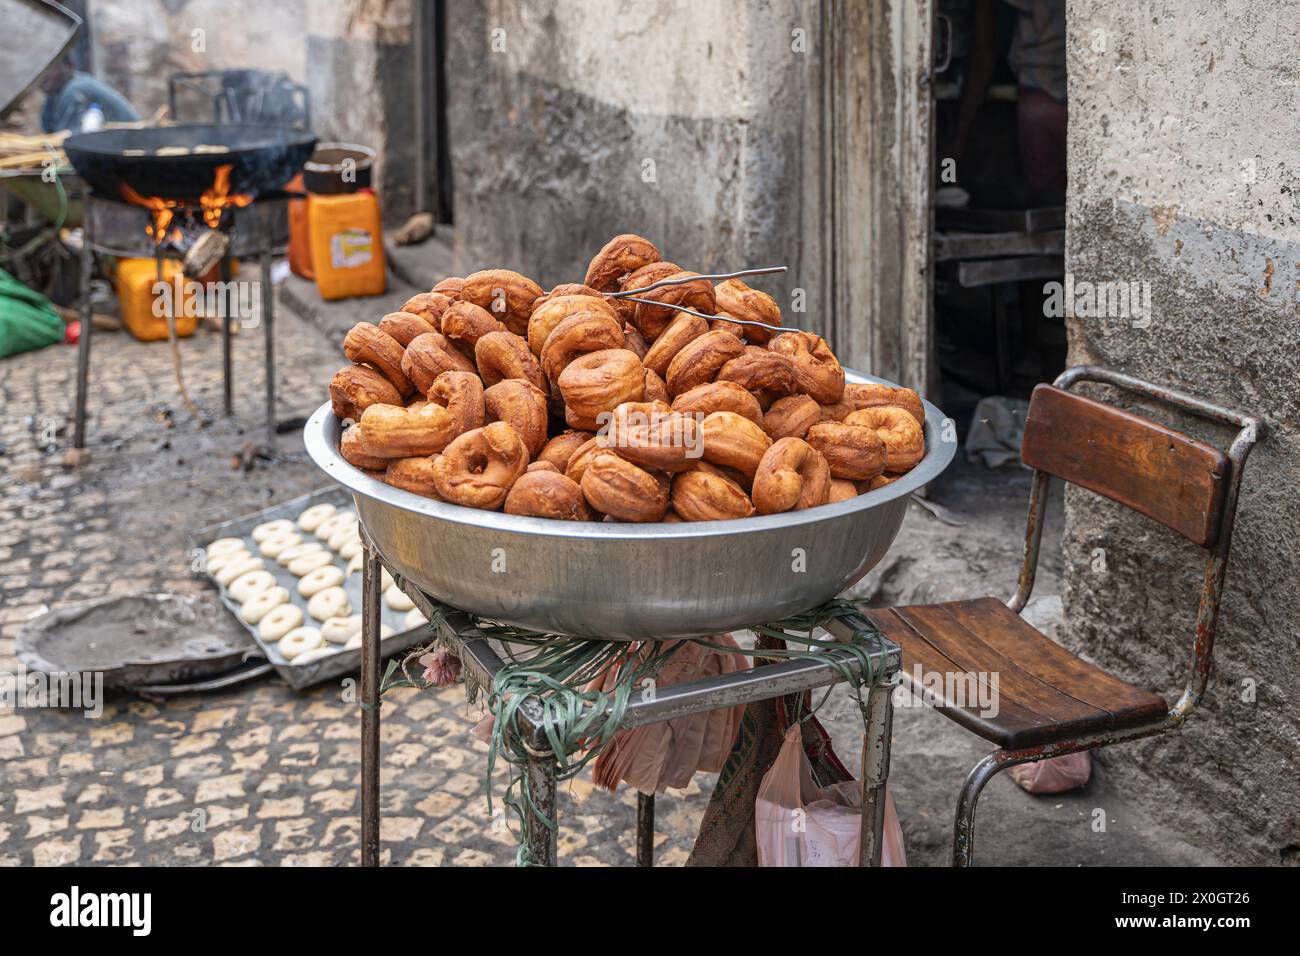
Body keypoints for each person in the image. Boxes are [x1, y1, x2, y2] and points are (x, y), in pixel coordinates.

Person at [952, 0, 1067, 204]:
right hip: (1083, 96)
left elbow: (983, 50)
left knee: (1047, 201)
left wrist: (958, 136)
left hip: (1040, 91)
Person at [39, 56, 139, 134]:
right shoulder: (53, 97)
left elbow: (65, 141)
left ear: (70, 65)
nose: (44, 77)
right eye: (40, 71)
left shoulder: (76, 90)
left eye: (51, 68)